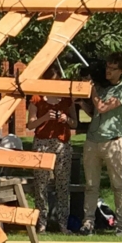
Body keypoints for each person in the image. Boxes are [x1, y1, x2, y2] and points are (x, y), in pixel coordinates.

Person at [79, 53, 122, 235]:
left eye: (113, 69)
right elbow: (95, 112)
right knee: (91, 185)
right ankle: (88, 223)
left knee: (117, 185)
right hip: (93, 141)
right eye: (107, 67)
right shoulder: (101, 88)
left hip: (112, 143)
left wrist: (92, 90)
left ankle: (121, 225)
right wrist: (81, 102)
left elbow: (103, 107)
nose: (108, 71)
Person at [29, 94, 74, 233]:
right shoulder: (37, 99)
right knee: (41, 184)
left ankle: (63, 223)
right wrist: (45, 117)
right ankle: (41, 223)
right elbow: (30, 124)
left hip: (62, 143)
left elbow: (75, 123)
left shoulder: (66, 100)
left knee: (62, 184)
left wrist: (66, 119)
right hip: (42, 143)